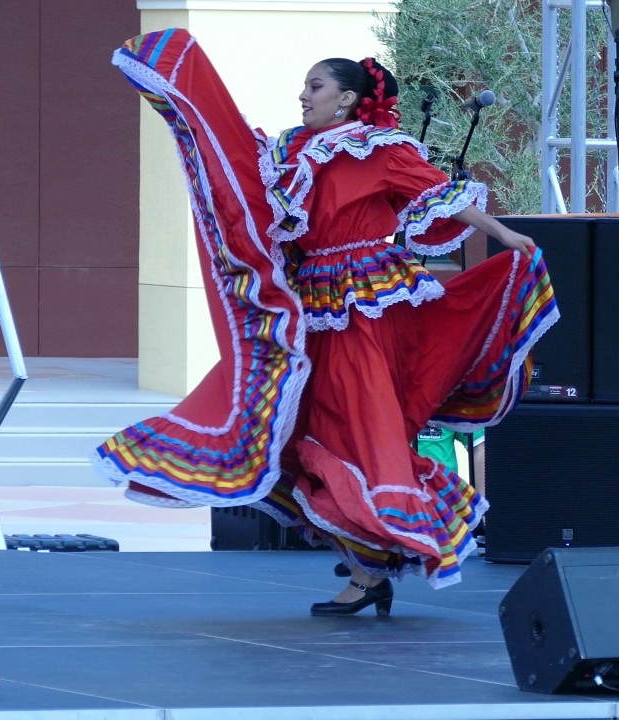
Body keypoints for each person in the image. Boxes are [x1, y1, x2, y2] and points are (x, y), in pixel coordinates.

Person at [94, 30, 558, 616]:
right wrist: (192, 101)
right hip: (310, 306)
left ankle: (371, 566)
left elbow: (440, 195)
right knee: (297, 425)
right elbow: (243, 182)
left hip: (362, 304)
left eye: (315, 86)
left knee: (355, 426)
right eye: (304, 86)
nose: (303, 96)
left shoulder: (378, 147)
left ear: (345, 98)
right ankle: (369, 559)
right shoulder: (291, 151)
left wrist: (503, 234)